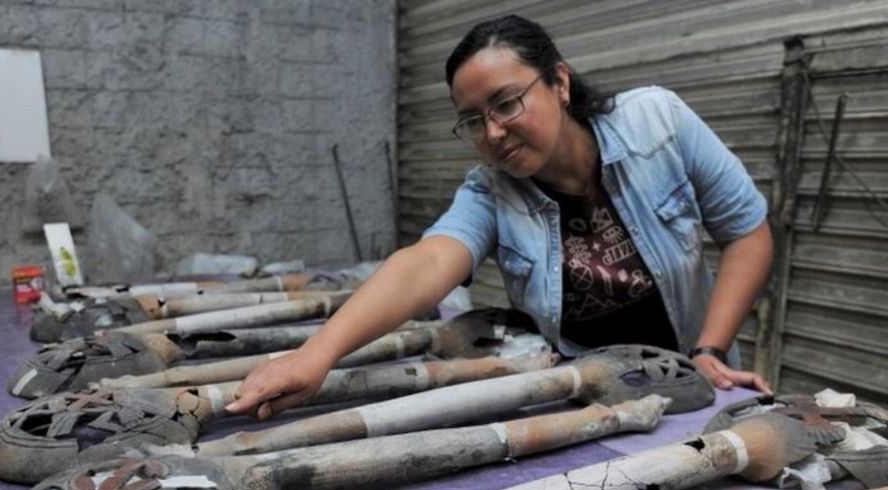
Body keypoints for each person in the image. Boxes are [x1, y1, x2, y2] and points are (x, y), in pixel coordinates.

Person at [227, 14, 773, 420]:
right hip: (593, 396)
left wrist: (709, 350)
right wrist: (315, 355)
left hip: (697, 376)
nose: (492, 133)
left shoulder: (657, 123)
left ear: (559, 83)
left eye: (507, 103)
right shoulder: (490, 193)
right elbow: (425, 264)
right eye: (472, 120)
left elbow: (746, 231)